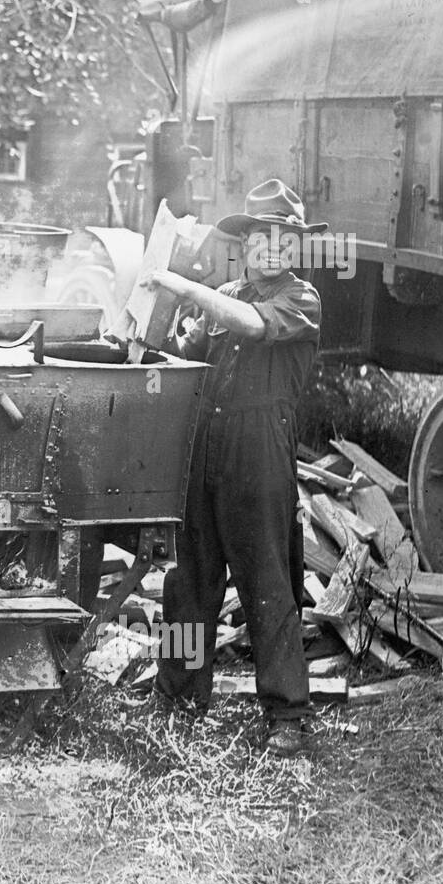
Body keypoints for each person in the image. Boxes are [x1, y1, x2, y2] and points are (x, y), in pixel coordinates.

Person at [138, 178, 323, 757]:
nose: (272, 247)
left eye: (284, 239)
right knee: (190, 580)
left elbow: (250, 322)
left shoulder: (302, 300)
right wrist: (148, 319)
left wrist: (185, 286)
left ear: (296, 248)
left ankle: (287, 712)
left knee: (267, 579)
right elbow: (181, 354)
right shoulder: (228, 292)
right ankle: (178, 694)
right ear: (245, 243)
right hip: (209, 448)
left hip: (261, 452)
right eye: (262, 236)